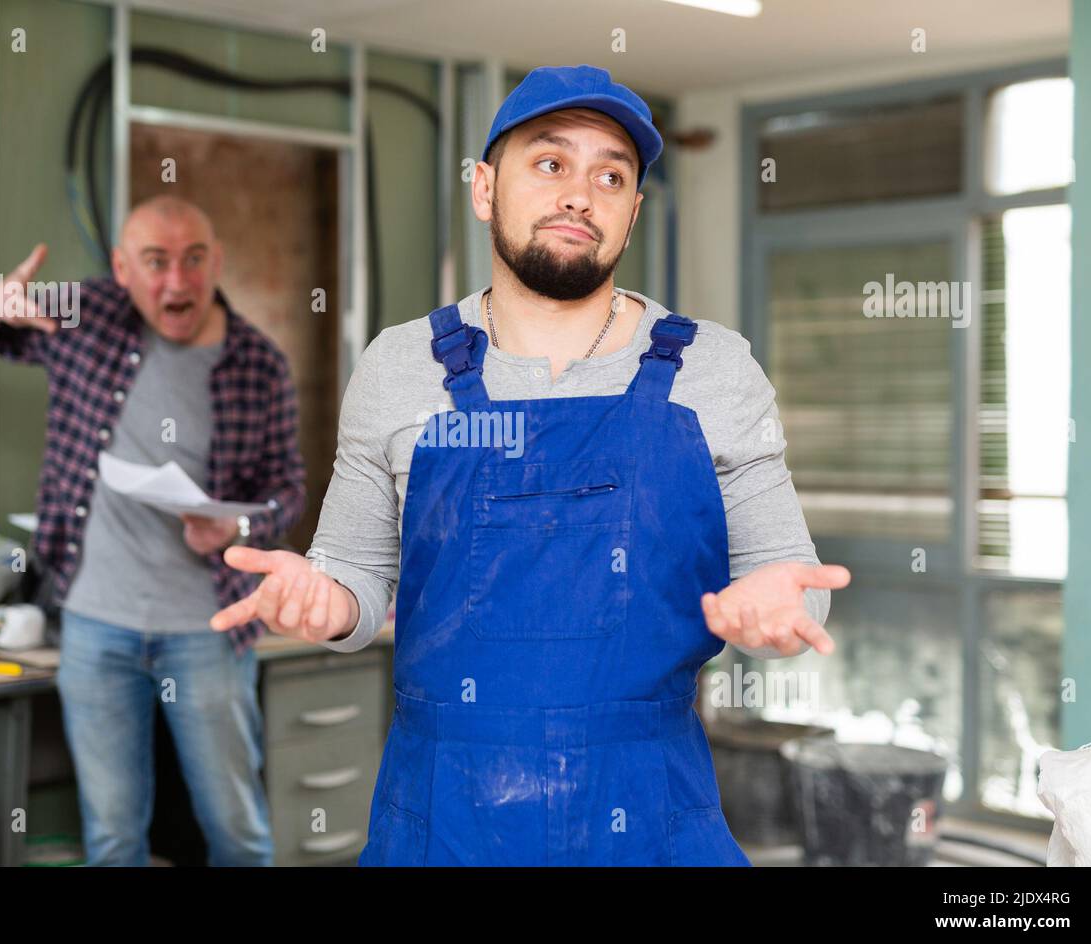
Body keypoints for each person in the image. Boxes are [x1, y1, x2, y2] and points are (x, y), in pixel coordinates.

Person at [209, 65, 850, 866]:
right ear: (484, 188)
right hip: (443, 823)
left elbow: (794, 591)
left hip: (648, 818)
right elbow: (357, 584)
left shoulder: (713, 369)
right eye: (550, 164)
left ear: (632, 211)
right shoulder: (399, 367)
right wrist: (320, 600)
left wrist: (776, 609)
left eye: (610, 175)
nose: (580, 193)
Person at [0, 196, 306, 866]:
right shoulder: (84, 312)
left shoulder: (259, 363)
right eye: (155, 261)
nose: (177, 281)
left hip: (210, 628)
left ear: (216, 261)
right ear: (121, 268)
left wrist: (239, 522)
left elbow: (288, 488)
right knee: (112, 836)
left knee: (236, 828)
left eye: (194, 259)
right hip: (93, 625)